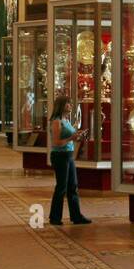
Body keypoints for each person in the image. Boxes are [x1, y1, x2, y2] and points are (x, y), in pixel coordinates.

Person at [48, 96, 92, 226]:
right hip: (60, 156)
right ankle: (55, 217)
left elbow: (69, 138)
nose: (71, 106)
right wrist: (71, 138)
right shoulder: (56, 122)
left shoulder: (66, 120)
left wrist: (77, 136)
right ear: (61, 106)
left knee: (72, 186)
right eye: (68, 104)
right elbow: (56, 143)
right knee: (61, 187)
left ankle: (76, 216)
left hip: (68, 155)